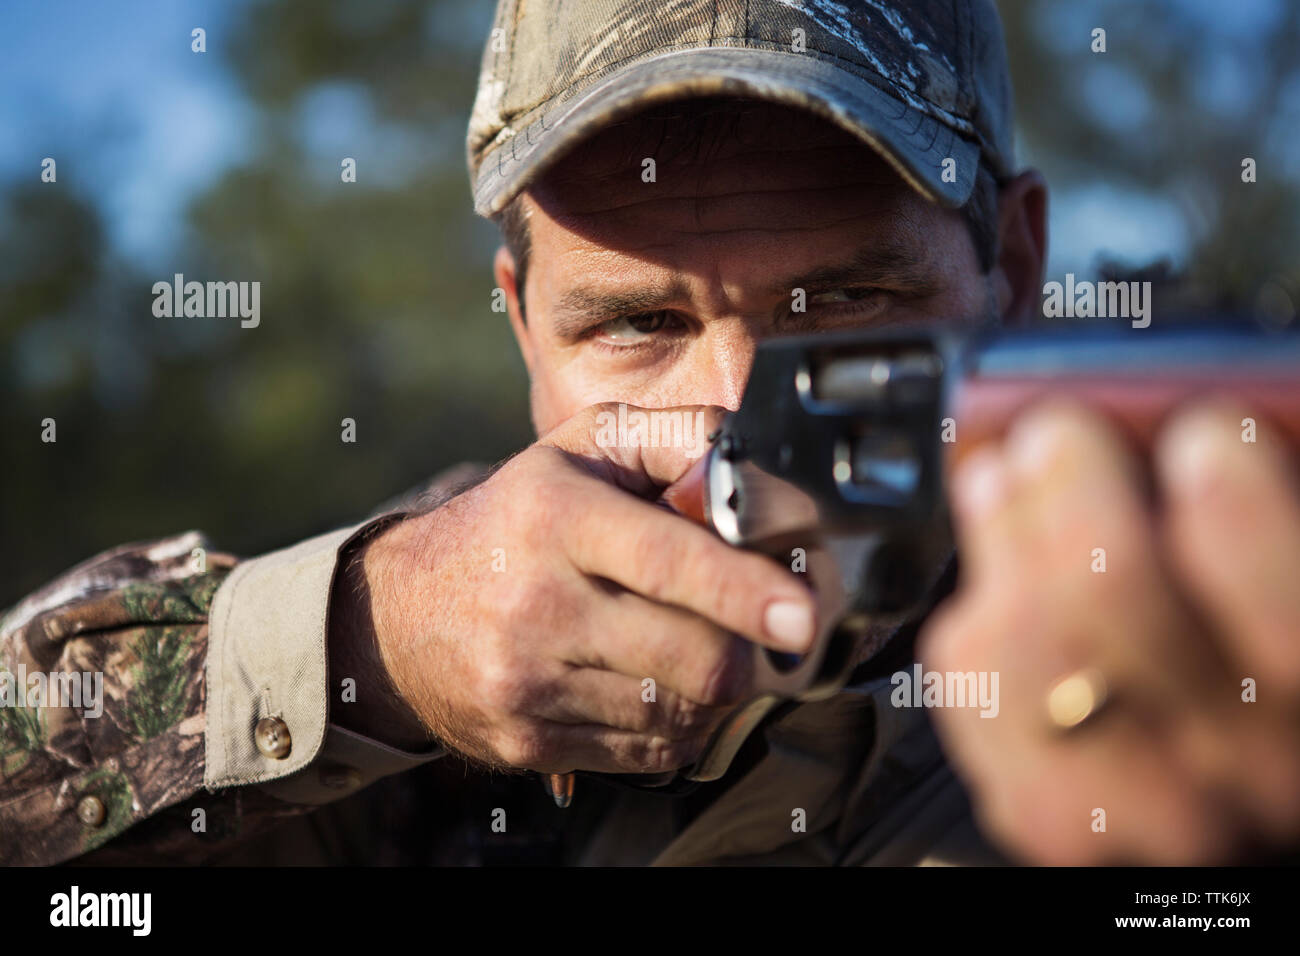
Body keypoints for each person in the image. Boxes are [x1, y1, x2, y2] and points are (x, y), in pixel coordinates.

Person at [3, 0, 1298, 867]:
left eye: (844, 304)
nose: (730, 422)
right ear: (523, 335)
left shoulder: (1230, 579)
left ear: (1012, 277)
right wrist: (375, 648)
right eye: (634, 322)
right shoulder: (443, 616)